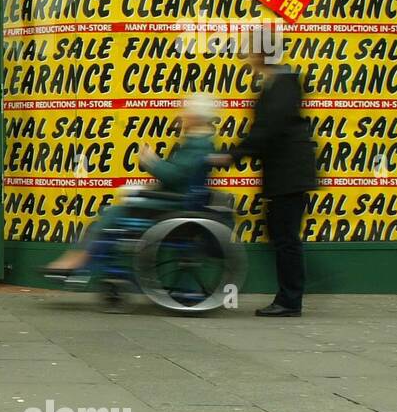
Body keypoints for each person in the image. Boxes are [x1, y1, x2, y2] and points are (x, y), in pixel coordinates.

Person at [45, 93, 221, 274]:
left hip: (173, 204)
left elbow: (176, 177)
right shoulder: (198, 142)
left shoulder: (198, 144)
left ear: (196, 117)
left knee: (115, 211)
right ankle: (81, 256)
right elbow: (181, 176)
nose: (183, 115)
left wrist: (151, 161)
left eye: (187, 111)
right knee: (115, 211)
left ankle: (79, 258)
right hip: (175, 200)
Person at [210, 48, 318, 316]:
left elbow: (266, 130)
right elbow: (265, 131)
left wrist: (230, 156)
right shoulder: (277, 83)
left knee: (286, 238)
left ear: (261, 55)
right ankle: (290, 295)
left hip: (288, 175)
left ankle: (290, 300)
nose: (246, 57)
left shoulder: (281, 85)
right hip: (285, 174)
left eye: (250, 52)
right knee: (282, 235)